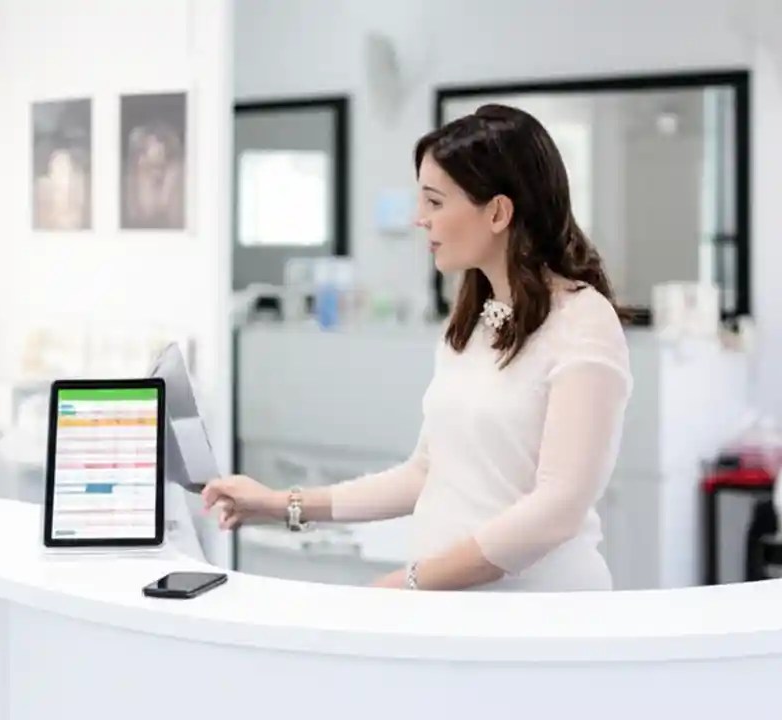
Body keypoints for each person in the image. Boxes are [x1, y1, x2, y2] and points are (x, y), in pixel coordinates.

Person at [203, 104, 632, 592]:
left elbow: (557, 508)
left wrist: (410, 582)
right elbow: (425, 473)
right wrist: (281, 504)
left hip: (534, 616)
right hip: (449, 607)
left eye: (434, 202)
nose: (419, 220)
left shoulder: (583, 322)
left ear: (497, 211)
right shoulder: (472, 322)